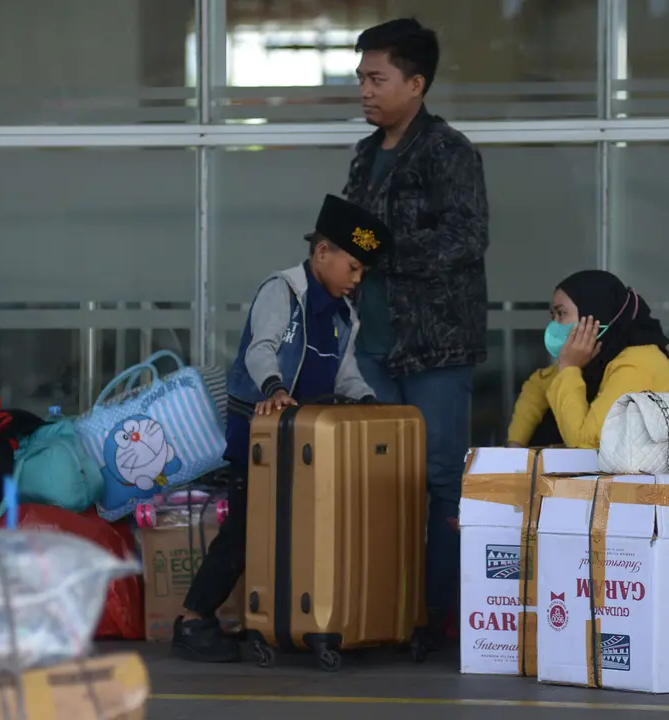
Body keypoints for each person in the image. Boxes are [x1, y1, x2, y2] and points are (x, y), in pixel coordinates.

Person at [172, 194, 389, 662]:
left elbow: (345, 375)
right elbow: (261, 349)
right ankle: (191, 620)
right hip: (261, 438)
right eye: (352, 267)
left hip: (305, 444)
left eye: (363, 272)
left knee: (293, 533)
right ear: (322, 252)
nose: (357, 279)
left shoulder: (343, 315)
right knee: (247, 532)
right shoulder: (284, 291)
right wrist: (274, 387)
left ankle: (274, 619)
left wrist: (368, 404)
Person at [343, 17, 489, 636]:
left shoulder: (448, 151)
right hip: (370, 345)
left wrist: (382, 251)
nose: (365, 91)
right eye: (361, 78)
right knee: (380, 481)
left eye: (377, 79)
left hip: (435, 346)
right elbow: (357, 232)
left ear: (416, 83)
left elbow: (467, 238)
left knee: (440, 479)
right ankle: (386, 609)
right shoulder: (365, 154)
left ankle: (438, 615)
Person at [506, 270, 669, 470]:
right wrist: (514, 449)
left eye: (561, 314)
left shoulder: (638, 362)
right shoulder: (600, 359)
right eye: (552, 316)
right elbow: (538, 386)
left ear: (593, 315)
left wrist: (569, 367)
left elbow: (586, 445)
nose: (553, 325)